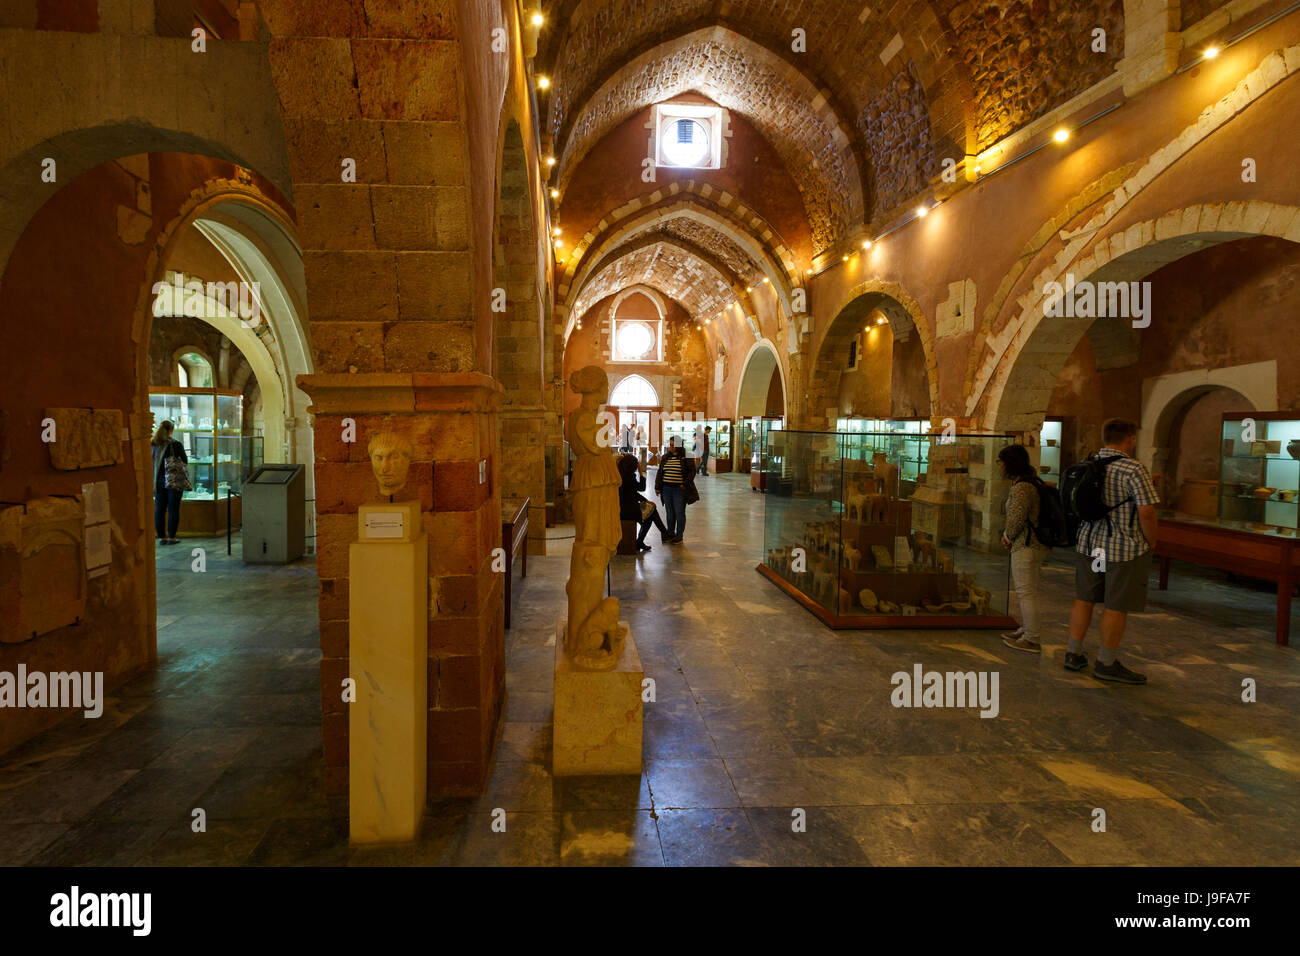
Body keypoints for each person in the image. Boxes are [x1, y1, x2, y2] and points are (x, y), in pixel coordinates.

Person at [1067, 418, 1160, 685]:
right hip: (1122, 549)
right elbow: (1146, 511)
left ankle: (1073, 654)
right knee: (1116, 605)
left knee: (1085, 598)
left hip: (1090, 546)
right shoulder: (1133, 468)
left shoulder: (1088, 464)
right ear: (1130, 438)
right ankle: (1106, 663)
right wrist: (1151, 542)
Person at [997, 444, 1050, 653]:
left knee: (1026, 592)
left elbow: (1017, 518)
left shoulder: (1022, 488)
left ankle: (1032, 638)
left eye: (1001, 461)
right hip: (1036, 545)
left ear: (1010, 463)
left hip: (1026, 545)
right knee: (1029, 591)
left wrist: (1007, 536)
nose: (1000, 465)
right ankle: (1027, 629)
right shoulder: (1032, 482)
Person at [618, 453, 668, 550]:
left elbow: (633, 494)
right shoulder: (629, 478)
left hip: (624, 508)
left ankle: (661, 535)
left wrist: (647, 501)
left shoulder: (622, 475)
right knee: (651, 515)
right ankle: (664, 534)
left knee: (651, 513)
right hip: (628, 511)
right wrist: (641, 473)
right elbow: (641, 488)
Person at [150, 420, 188, 545]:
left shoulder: (153, 443)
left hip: (158, 481)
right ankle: (171, 537)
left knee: (159, 509)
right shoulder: (175, 444)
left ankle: (161, 537)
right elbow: (184, 461)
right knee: (173, 509)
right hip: (174, 481)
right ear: (172, 430)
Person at [655, 436, 697, 544]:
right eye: (670, 445)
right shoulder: (665, 457)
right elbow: (660, 472)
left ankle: (679, 535)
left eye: (673, 445)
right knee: (670, 513)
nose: (671, 447)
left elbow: (692, 472)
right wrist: (657, 487)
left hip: (679, 489)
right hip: (666, 489)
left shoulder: (686, 456)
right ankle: (670, 533)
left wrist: (685, 484)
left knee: (679, 512)